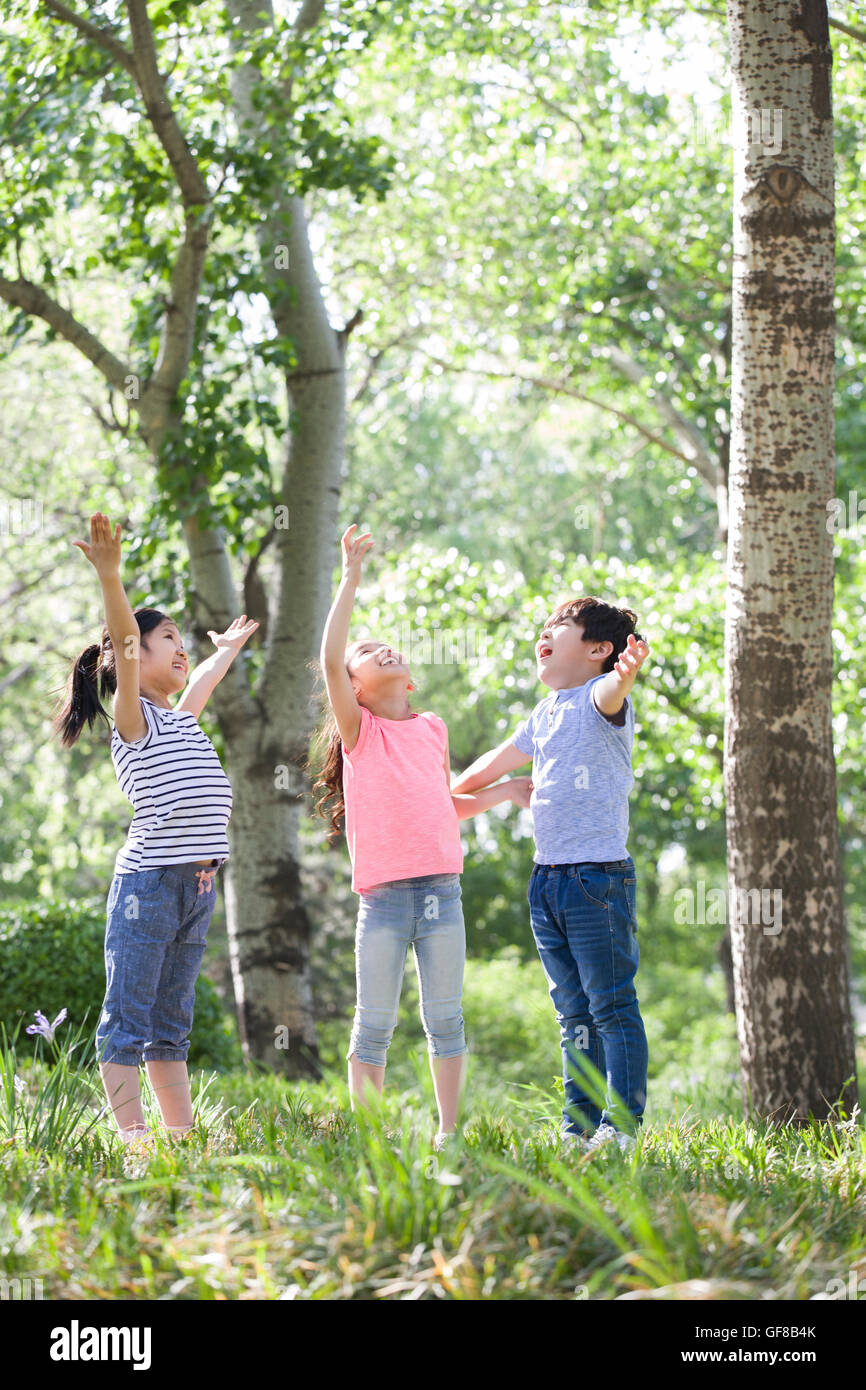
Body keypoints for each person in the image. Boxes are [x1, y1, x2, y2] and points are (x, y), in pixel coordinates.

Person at [313, 524, 531, 1145]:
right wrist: (350, 575)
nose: (382, 649)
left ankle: (449, 1134)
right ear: (354, 688)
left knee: (446, 1018)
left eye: (388, 647)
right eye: (368, 650)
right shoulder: (361, 734)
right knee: (372, 1026)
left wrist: (502, 794)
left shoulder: (431, 728)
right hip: (381, 903)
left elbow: (444, 803)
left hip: (442, 893)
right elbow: (329, 657)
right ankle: (369, 1139)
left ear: (409, 681)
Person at [54, 511, 258, 1146]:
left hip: (197, 887)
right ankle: (133, 1139)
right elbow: (119, 641)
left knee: (172, 1022)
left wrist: (221, 656)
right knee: (128, 1018)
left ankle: (178, 1136)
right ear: (133, 658)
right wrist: (111, 580)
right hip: (149, 885)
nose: (180, 647)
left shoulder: (182, 719)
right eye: (167, 637)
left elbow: (197, 683)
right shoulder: (133, 719)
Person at [451, 596, 650, 1151]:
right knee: (574, 1012)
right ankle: (577, 1126)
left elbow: (613, 692)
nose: (544, 635)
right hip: (548, 882)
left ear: (597, 650)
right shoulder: (542, 714)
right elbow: (478, 774)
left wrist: (624, 674)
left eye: (558, 628)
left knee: (611, 1004)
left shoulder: (600, 696)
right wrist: (462, 789)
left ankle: (621, 1127)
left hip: (597, 880)